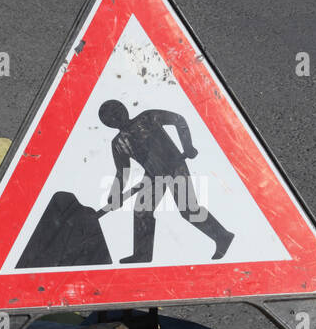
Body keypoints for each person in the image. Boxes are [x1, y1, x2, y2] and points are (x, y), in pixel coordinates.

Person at [98, 100, 234, 265]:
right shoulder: (118, 143)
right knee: (141, 211)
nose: (117, 117)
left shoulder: (147, 117)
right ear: (108, 124)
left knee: (188, 210)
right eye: (111, 117)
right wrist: (115, 194)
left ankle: (223, 237)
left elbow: (178, 119)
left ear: (124, 109)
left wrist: (188, 146)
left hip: (175, 166)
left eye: (117, 111)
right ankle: (142, 254)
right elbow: (122, 171)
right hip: (152, 176)